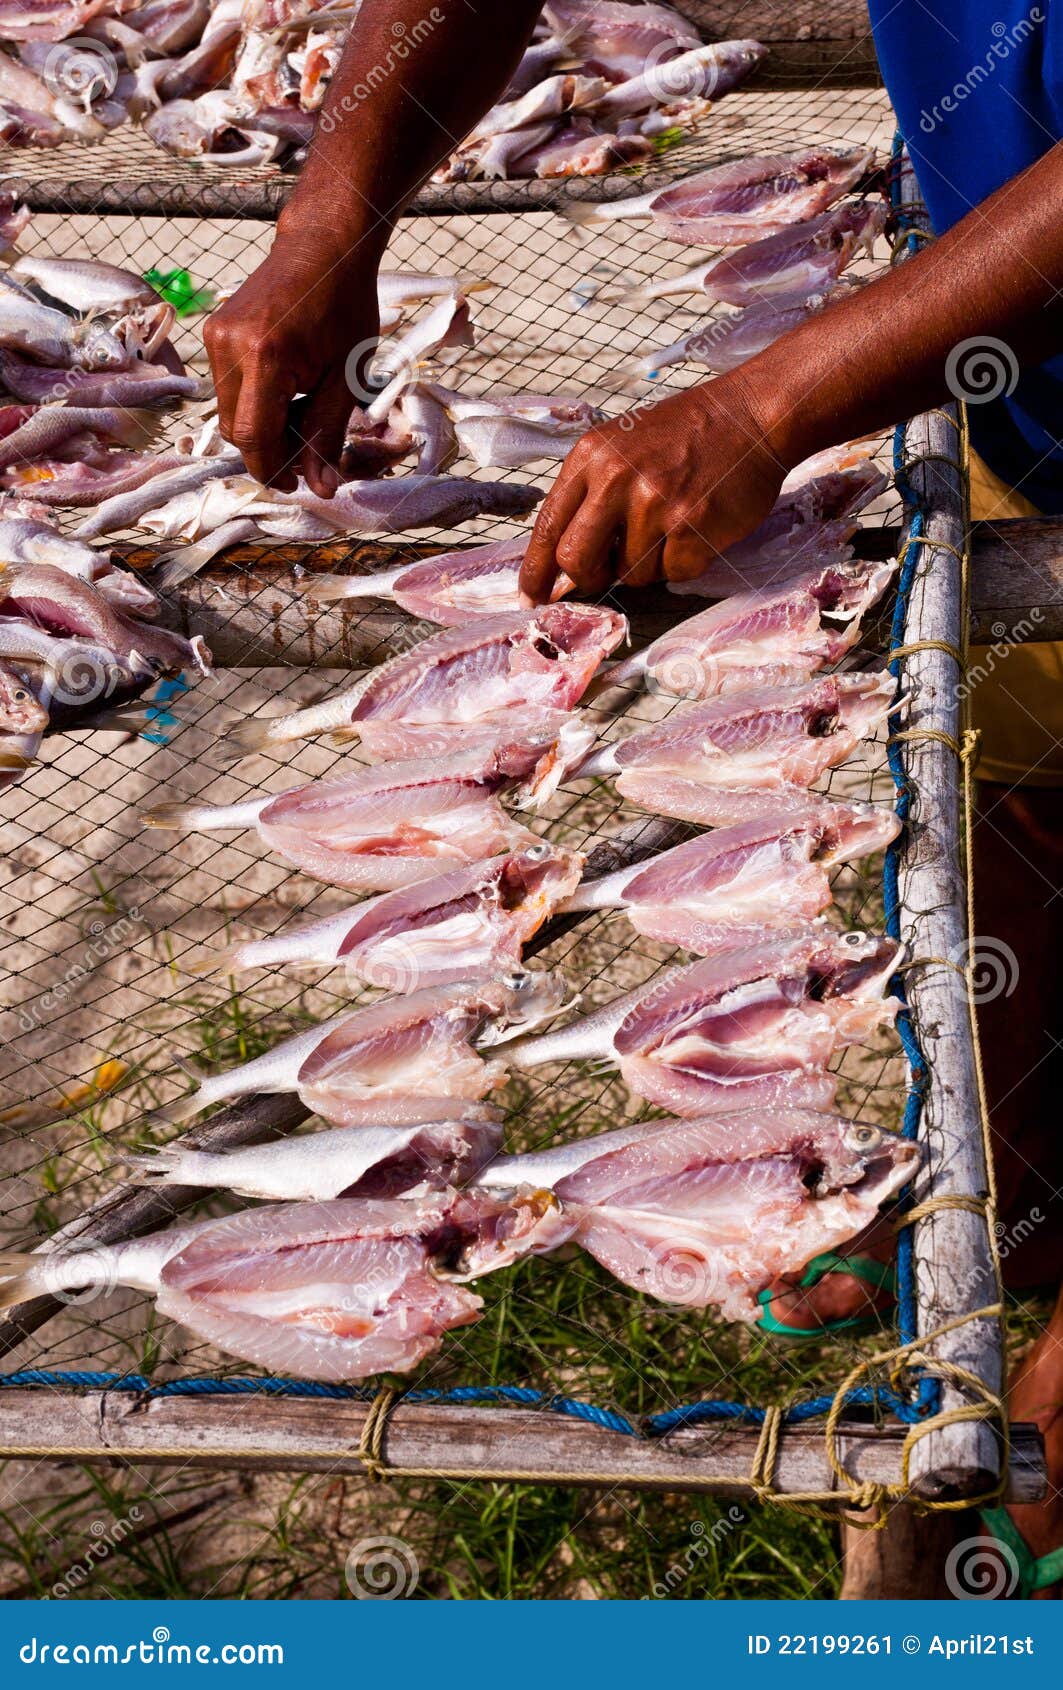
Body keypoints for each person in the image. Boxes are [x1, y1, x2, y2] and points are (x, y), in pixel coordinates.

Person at [205, 2, 1063, 1594]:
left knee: (1046, 1424)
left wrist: (762, 403)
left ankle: (1016, 1493)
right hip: (1017, 417)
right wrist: (332, 220)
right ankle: (983, 1217)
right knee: (992, 896)